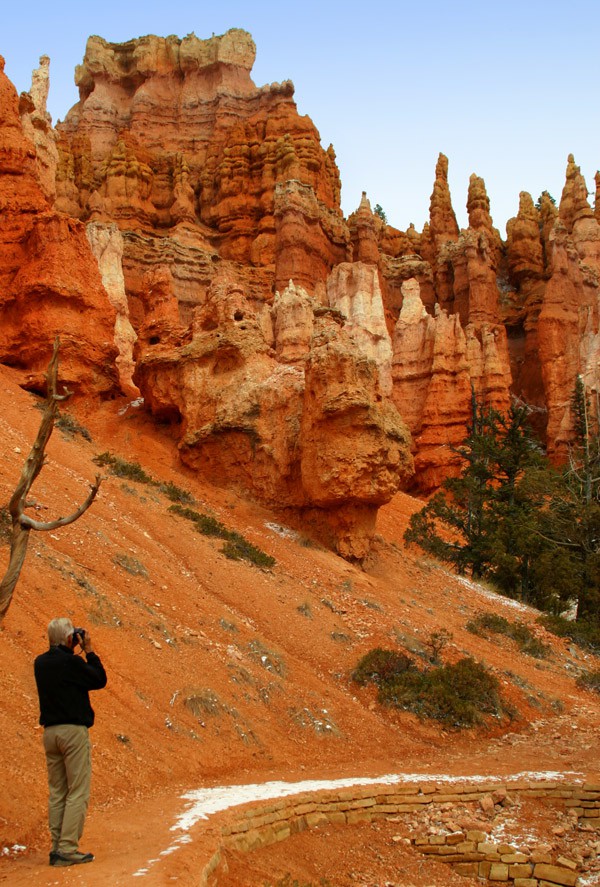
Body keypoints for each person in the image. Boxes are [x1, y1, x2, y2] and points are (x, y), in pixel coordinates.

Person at [34, 617, 107, 867]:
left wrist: (71, 649)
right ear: (69, 638)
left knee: (57, 791)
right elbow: (99, 679)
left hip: (50, 733)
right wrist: (89, 650)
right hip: (72, 732)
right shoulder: (71, 662)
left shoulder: (40, 663)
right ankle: (67, 848)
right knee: (77, 790)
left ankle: (56, 847)